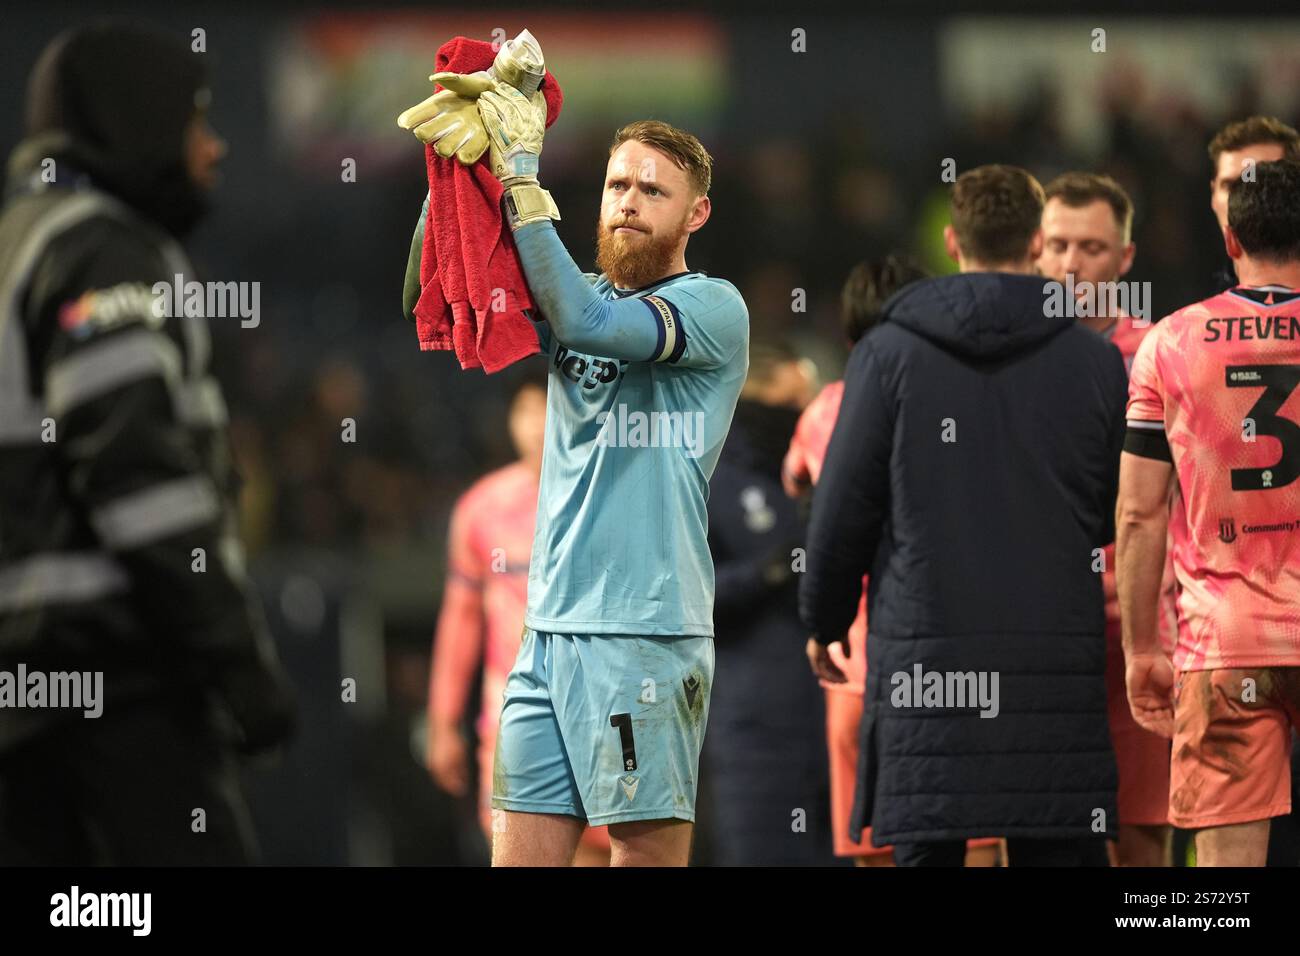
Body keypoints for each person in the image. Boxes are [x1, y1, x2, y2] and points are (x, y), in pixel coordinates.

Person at [404, 66, 748, 865]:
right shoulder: (579, 290)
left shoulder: (712, 307)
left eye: (652, 191)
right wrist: (458, 171)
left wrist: (521, 176)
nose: (628, 200)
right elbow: (440, 278)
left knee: (643, 858)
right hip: (546, 635)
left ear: (695, 212)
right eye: (617, 183)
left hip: (646, 634)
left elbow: (587, 320)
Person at [0, 23, 295, 864]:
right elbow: (140, 484)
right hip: (119, 700)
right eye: (195, 117)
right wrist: (242, 669)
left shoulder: (18, 243)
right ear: (139, 123)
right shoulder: (100, 248)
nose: (215, 143)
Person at [800, 165, 1128, 866]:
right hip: (1053, 668)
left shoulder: (886, 353)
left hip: (927, 668)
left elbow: (844, 505)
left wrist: (824, 620)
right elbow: (1109, 514)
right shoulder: (1096, 361)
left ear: (953, 241)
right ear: (1039, 242)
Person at [785, 256, 996, 867]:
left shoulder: (825, 409)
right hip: (951, 653)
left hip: (854, 662)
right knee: (973, 837)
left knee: (872, 846)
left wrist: (822, 620)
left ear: (850, 335)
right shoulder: (969, 398)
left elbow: (803, 491)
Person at [1119, 159, 1300, 867]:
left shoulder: (1170, 343)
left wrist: (1141, 650)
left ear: (1229, 239)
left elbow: (1138, 514)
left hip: (1224, 644)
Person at [1037, 172, 1177, 866]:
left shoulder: (1166, 353)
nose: (1070, 264)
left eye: (1091, 247)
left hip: (1140, 623)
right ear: (1034, 250)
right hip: (1035, 630)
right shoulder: (1004, 357)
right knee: (1018, 828)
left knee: (1141, 827)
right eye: (1057, 244)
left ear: (1125, 259)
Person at [426, 372, 610, 865]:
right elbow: (461, 618)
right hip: (512, 717)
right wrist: (442, 721)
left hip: (600, 715)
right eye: (525, 410)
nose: (536, 424)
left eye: (549, 407)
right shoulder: (480, 509)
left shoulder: (608, 494)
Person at [703, 342, 838, 866]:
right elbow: (682, 596)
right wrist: (765, 574)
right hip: (751, 729)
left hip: (830, 712)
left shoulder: (823, 471)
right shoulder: (706, 478)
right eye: (786, 404)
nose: (797, 416)